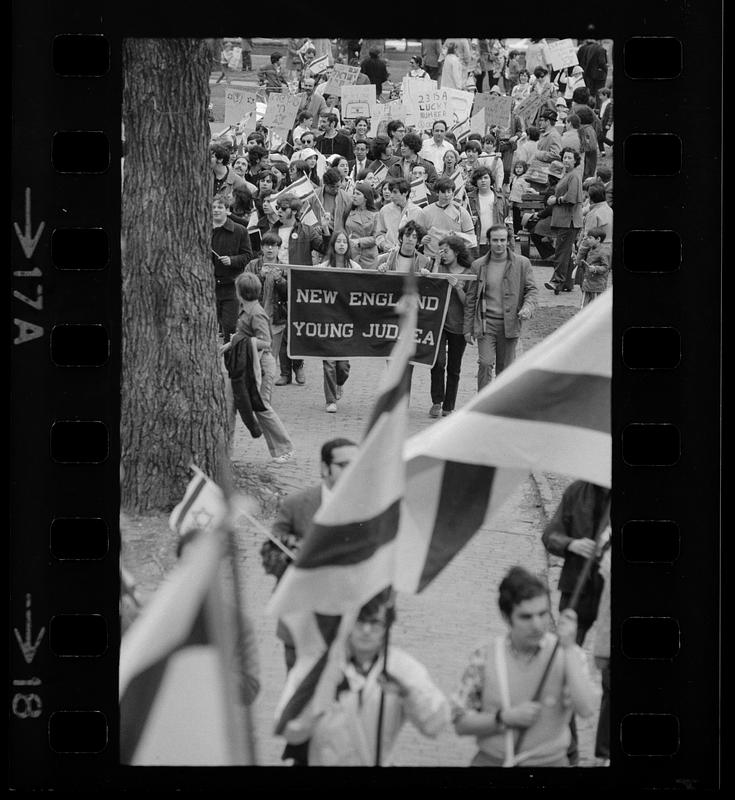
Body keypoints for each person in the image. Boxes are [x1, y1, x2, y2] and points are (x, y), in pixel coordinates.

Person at [283, 587, 450, 765]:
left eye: (376, 623)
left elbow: (436, 725)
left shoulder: (402, 668)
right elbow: (290, 731)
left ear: (388, 626)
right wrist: (318, 699)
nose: (367, 630)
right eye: (359, 621)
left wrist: (408, 694)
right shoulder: (315, 666)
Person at [451, 565, 598, 767]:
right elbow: (460, 722)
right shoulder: (484, 656)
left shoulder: (567, 654)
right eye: (526, 617)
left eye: (543, 614)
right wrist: (503, 718)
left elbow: (587, 709)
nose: (537, 625)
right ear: (506, 616)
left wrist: (570, 648)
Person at [541, 480, 610, 766]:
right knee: (563, 666)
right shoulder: (576, 491)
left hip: (609, 592)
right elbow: (550, 535)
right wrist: (571, 543)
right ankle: (568, 750)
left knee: (611, 673)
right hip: (577, 587)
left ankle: (605, 754)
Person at [221, 272, 294, 463]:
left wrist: (241, 341)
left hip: (259, 365)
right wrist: (227, 346)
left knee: (261, 407)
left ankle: (284, 448)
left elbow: (266, 341)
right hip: (241, 364)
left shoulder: (256, 312)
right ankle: (224, 454)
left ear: (239, 292)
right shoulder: (244, 309)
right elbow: (242, 335)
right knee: (229, 406)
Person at [464, 224, 537, 391]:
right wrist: (467, 329)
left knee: (505, 369)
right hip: (485, 323)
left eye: (502, 240)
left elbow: (531, 290)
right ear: (488, 241)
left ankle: (498, 403)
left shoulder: (522, 263)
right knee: (485, 362)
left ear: (508, 241)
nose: (499, 244)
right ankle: (482, 401)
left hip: (510, 324)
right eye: (495, 240)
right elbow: (471, 298)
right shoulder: (478, 265)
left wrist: (528, 307)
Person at [270, 194, 327, 385]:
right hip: (277, 280)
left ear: (294, 211)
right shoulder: (273, 230)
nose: (278, 211)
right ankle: (285, 372)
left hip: (299, 282)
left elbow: (325, 248)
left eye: (283, 208)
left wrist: (326, 228)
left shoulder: (307, 231)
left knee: (296, 327)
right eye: (277, 207)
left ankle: (298, 366)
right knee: (281, 325)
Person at [423, 235, 473, 418]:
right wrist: (435, 265)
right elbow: (429, 288)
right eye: (440, 251)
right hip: (438, 324)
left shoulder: (468, 272)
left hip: (458, 325)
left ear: (457, 252)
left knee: (454, 367)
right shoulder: (437, 266)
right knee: (437, 363)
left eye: (446, 251)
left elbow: (469, 302)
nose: (443, 255)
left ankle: (448, 406)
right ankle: (437, 401)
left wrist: (457, 286)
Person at [317, 232, 362, 412]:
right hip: (328, 320)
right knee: (328, 363)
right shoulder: (323, 267)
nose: (342, 245)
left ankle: (339, 382)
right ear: (333, 245)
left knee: (342, 366)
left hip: (347, 322)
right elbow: (308, 277)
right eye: (339, 242)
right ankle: (330, 400)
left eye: (345, 242)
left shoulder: (356, 267)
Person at [244, 231, 288, 369]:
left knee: (270, 360)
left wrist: (280, 280)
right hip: (254, 318)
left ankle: (266, 389)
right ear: (262, 247)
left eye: (274, 246)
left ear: (278, 249)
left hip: (276, 320)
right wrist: (259, 276)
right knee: (254, 357)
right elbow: (244, 288)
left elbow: (290, 294)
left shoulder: (285, 268)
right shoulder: (252, 265)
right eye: (267, 245)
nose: (270, 249)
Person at [543, 147, 584, 294]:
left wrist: (556, 200)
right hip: (565, 220)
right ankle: (567, 283)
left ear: (575, 161)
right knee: (565, 252)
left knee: (561, 252)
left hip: (569, 221)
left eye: (569, 158)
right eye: (564, 157)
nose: (566, 160)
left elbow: (571, 198)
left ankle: (556, 281)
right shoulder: (568, 175)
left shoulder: (574, 176)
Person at [212, 193, 253, 339]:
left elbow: (248, 255)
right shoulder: (204, 229)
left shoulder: (240, 231)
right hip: (209, 287)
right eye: (214, 207)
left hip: (231, 286)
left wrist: (232, 260)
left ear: (227, 210)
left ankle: (230, 360)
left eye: (220, 207)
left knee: (230, 327)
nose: (216, 210)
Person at [420, 177, 477, 259]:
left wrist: (457, 235)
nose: (446, 195)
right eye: (443, 192)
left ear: (453, 193)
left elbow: (472, 239)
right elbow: (417, 236)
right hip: (431, 258)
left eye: (449, 192)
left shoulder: (462, 212)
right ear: (437, 193)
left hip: (455, 260)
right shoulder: (426, 211)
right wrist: (421, 240)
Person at [375, 178, 428, 254]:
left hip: (409, 256)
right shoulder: (384, 210)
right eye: (391, 192)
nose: (392, 196)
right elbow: (379, 233)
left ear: (405, 193)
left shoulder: (418, 212)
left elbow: (422, 238)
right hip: (388, 255)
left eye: (395, 192)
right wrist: (383, 245)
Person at [466, 167, 506, 258]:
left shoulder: (500, 198)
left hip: (495, 242)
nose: (483, 181)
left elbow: (507, 220)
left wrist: (510, 245)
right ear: (475, 181)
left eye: (485, 178)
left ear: (491, 179)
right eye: (479, 178)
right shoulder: (469, 199)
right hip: (475, 243)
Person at [344, 181, 379, 270]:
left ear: (366, 197)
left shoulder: (375, 215)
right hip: (351, 255)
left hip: (369, 258)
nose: (354, 196)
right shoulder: (347, 212)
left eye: (358, 194)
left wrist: (359, 241)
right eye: (354, 193)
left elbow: (377, 237)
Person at [576, 227, 610, 306]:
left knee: (595, 307)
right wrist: (580, 262)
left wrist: (595, 269)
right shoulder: (591, 249)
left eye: (590, 238)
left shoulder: (603, 252)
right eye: (587, 238)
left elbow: (606, 267)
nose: (588, 240)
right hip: (587, 284)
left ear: (598, 239)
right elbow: (587, 265)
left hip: (597, 286)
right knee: (584, 306)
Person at [508, 160, 531, 239]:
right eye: (517, 167)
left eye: (520, 167)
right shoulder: (514, 178)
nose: (518, 169)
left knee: (520, 218)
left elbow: (526, 190)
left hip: (521, 202)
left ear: (524, 168)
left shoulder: (525, 179)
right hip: (514, 201)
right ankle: (516, 232)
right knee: (515, 217)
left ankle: (520, 233)